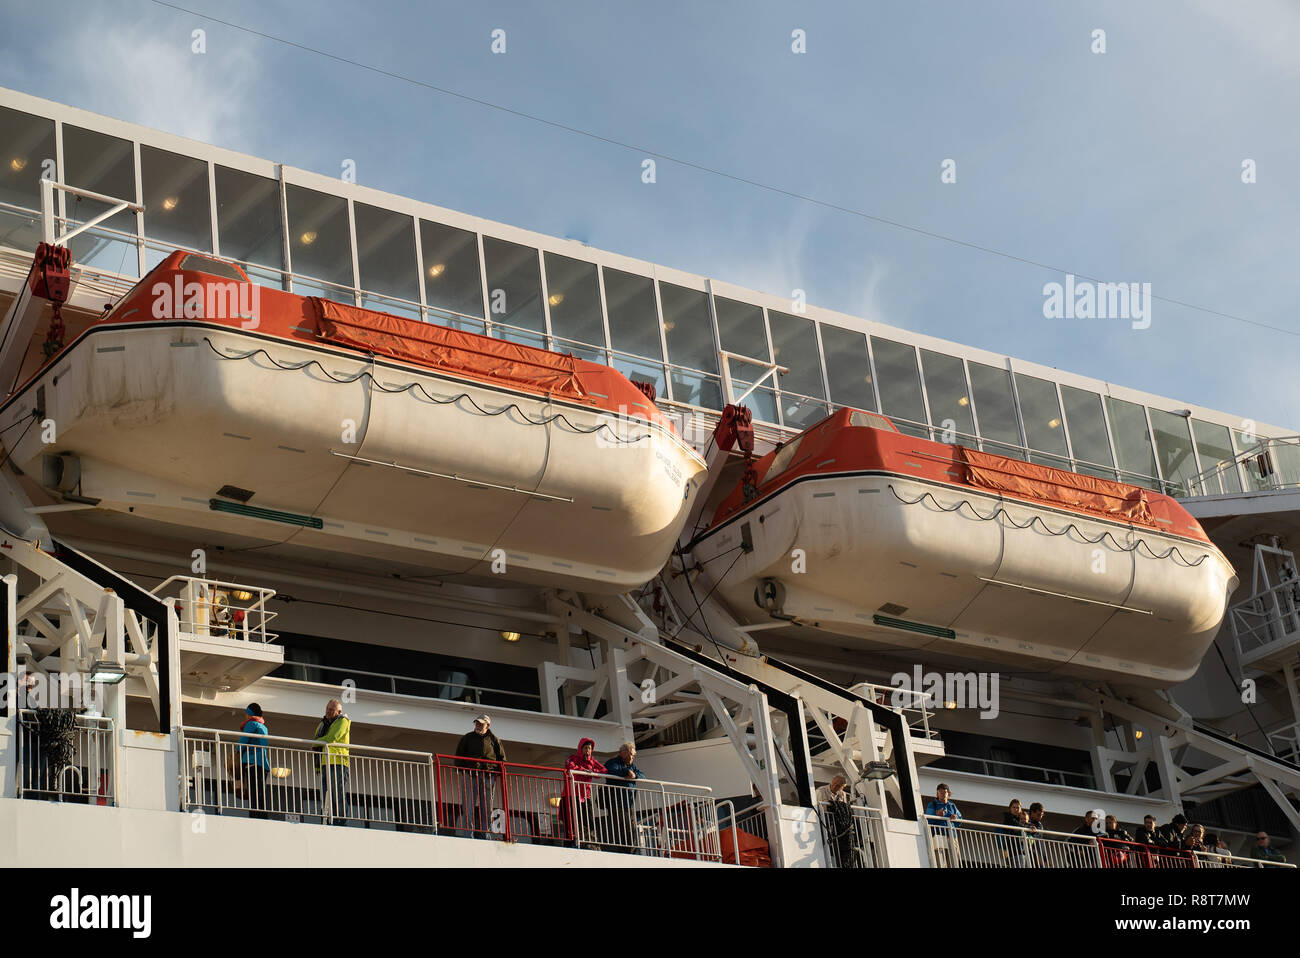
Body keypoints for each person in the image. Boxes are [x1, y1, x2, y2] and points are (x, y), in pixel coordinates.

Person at [453, 714, 507, 839]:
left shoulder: (494, 740)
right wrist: (462, 770)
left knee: (487, 807)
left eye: (480, 724)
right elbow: (459, 755)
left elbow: (502, 760)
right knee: (468, 806)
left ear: (487, 725)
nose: (478, 725)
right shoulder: (467, 738)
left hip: (488, 776)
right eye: (477, 723)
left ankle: (485, 835)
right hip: (470, 774)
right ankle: (468, 834)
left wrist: (497, 773)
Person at [560, 737, 606, 849]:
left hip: (585, 796)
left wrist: (592, 772)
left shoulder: (592, 761)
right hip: (570, 795)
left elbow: (603, 770)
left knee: (588, 821)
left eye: (589, 748)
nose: (588, 750)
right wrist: (584, 771)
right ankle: (569, 845)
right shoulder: (573, 758)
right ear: (580, 749)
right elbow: (570, 766)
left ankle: (590, 844)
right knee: (570, 822)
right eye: (585, 748)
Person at [602, 742, 646, 853]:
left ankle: (631, 852)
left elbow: (642, 775)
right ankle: (626, 853)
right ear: (623, 753)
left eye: (633, 756)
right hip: (617, 803)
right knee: (624, 830)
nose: (632, 757)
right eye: (630, 754)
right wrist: (626, 772)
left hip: (629, 805)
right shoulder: (613, 762)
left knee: (631, 830)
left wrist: (634, 775)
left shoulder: (632, 766)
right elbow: (611, 770)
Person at [313, 699, 351, 826]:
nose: (328, 712)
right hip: (324, 763)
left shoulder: (343, 721)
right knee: (325, 795)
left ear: (339, 711)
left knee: (337, 793)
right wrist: (317, 767)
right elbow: (317, 740)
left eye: (331, 710)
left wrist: (316, 743)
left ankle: (341, 821)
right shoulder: (322, 724)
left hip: (338, 762)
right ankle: (327, 820)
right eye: (327, 709)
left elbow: (332, 738)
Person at [237, 703, 271, 820]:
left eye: (246, 713)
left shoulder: (251, 724)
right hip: (263, 763)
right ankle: (262, 815)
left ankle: (255, 816)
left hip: (252, 762)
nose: (245, 716)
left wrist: (237, 750)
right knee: (260, 791)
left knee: (253, 791)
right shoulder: (263, 727)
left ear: (250, 714)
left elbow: (243, 741)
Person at [924, 784, 962, 866]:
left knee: (954, 859)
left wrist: (955, 818)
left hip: (952, 836)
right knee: (941, 861)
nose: (942, 794)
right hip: (939, 835)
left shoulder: (952, 805)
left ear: (948, 793)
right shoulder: (933, 804)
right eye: (940, 792)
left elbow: (960, 820)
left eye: (944, 792)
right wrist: (937, 814)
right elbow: (928, 820)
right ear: (937, 794)